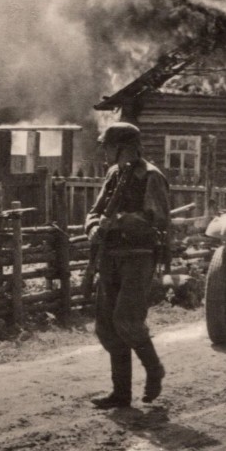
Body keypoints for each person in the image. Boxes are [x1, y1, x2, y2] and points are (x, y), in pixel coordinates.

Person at [85, 123, 171, 408]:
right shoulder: (113, 175)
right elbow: (95, 211)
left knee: (126, 319)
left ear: (125, 147)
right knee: (107, 326)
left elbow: (157, 220)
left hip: (138, 256)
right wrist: (94, 227)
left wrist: (120, 221)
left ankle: (154, 369)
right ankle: (121, 393)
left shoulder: (150, 176)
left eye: (109, 147)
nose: (106, 152)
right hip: (110, 256)